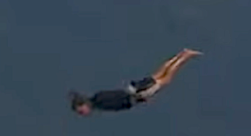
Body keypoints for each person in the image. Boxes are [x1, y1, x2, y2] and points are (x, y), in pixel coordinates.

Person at [69, 48, 203, 115]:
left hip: (136, 93)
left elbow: (120, 101)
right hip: (133, 89)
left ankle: (184, 57)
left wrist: (139, 99)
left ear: (83, 105)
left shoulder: (100, 103)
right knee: (158, 75)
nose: (84, 113)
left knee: (165, 80)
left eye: (81, 111)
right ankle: (180, 55)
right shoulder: (98, 97)